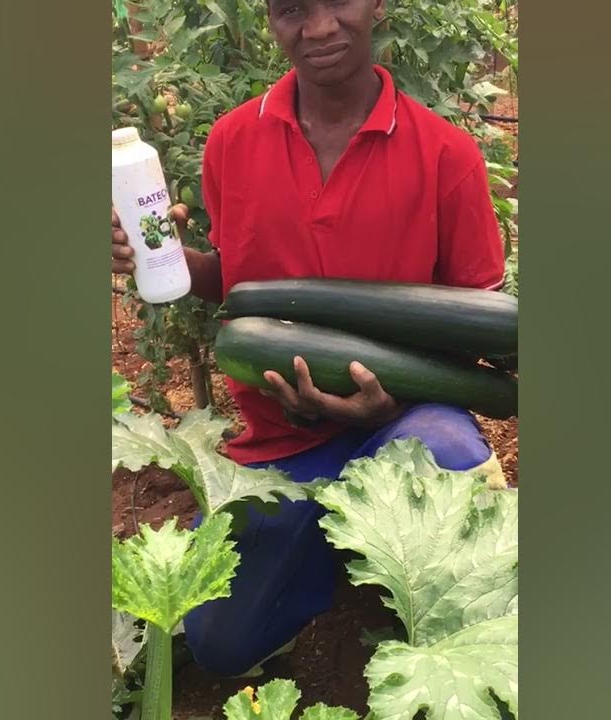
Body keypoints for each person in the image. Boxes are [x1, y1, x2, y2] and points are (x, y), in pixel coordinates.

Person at [111, 0, 510, 677]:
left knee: (447, 453)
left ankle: (418, 596)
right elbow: (240, 286)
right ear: (270, 17)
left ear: (376, 4)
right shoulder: (232, 142)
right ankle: (321, 556)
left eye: (338, 2)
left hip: (407, 420)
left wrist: (391, 398)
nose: (319, 27)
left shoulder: (447, 153)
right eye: (294, 8)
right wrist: (171, 260)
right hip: (280, 440)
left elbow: (472, 323)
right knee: (220, 648)